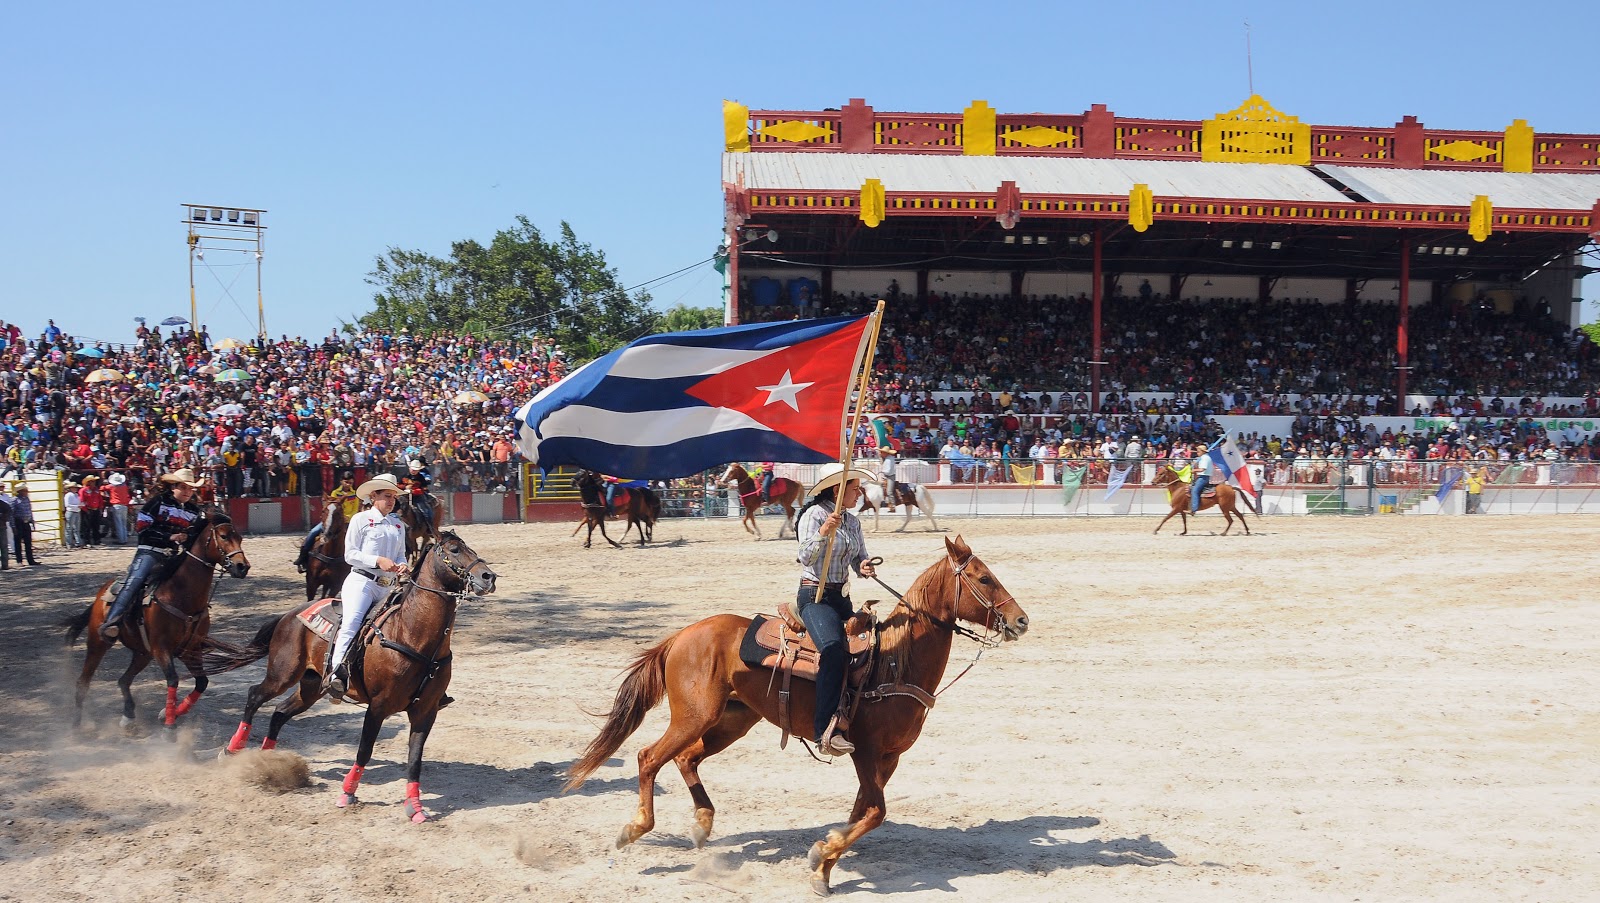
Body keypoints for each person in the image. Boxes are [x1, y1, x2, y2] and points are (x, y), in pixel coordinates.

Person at [794, 462, 878, 756]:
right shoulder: (814, 515)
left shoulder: (853, 522)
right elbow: (804, 556)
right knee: (832, 649)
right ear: (838, 489)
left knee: (871, 647)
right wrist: (823, 532)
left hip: (841, 599)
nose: (860, 493)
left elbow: (859, 559)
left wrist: (864, 567)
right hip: (815, 597)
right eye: (855, 488)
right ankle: (823, 731)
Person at [100, 468, 208, 639]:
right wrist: (169, 536)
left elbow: (195, 535)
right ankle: (111, 622)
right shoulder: (157, 502)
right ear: (173, 487)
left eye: (191, 488)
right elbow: (142, 528)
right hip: (150, 551)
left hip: (173, 555)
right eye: (184, 487)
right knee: (135, 580)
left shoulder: (193, 511)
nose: (188, 492)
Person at [327, 473, 408, 696]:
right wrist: (377, 560)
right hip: (363, 581)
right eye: (386, 496)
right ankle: (336, 674)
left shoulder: (398, 525)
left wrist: (402, 565)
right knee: (351, 623)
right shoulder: (360, 520)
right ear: (373, 496)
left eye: (393, 496)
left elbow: (401, 554)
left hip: (388, 586)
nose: (391, 500)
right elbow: (350, 554)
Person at [295, 475, 358, 572]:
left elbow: (355, 509)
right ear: (341, 481)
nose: (348, 484)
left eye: (350, 482)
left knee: (357, 540)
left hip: (347, 522)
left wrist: (347, 517)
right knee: (313, 532)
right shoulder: (335, 492)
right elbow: (331, 507)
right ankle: (302, 557)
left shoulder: (354, 494)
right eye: (346, 482)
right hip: (332, 520)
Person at [106, 472, 132, 544]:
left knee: (118, 523)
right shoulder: (125, 486)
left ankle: (121, 540)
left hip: (117, 505)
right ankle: (125, 539)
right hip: (124, 505)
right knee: (123, 523)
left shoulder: (112, 486)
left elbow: (103, 488)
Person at [1190, 442, 1216, 514]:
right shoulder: (1207, 457)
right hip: (1205, 477)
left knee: (1194, 490)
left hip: (1203, 477)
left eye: (1198, 451)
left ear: (1202, 451)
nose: (1197, 453)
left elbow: (1202, 469)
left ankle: (1194, 509)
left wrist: (1194, 470)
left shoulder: (1204, 458)